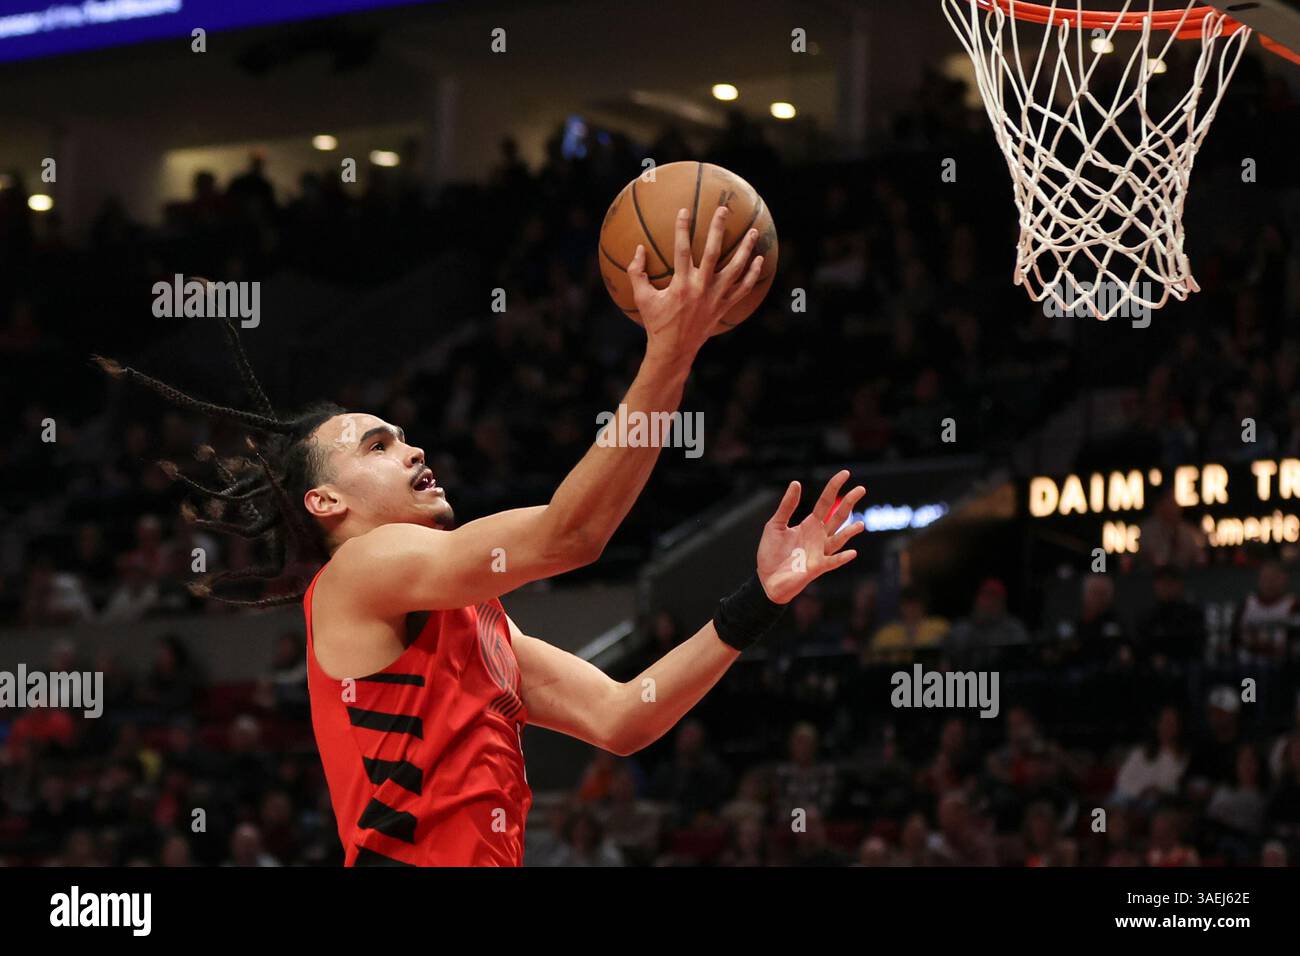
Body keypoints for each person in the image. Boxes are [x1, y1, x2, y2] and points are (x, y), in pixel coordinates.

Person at [95, 208, 865, 867]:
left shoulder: (476, 623)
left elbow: (625, 717)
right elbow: (575, 534)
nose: (414, 450)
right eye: (378, 447)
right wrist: (672, 349)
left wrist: (759, 598)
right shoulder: (358, 571)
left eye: (403, 437)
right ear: (325, 501)